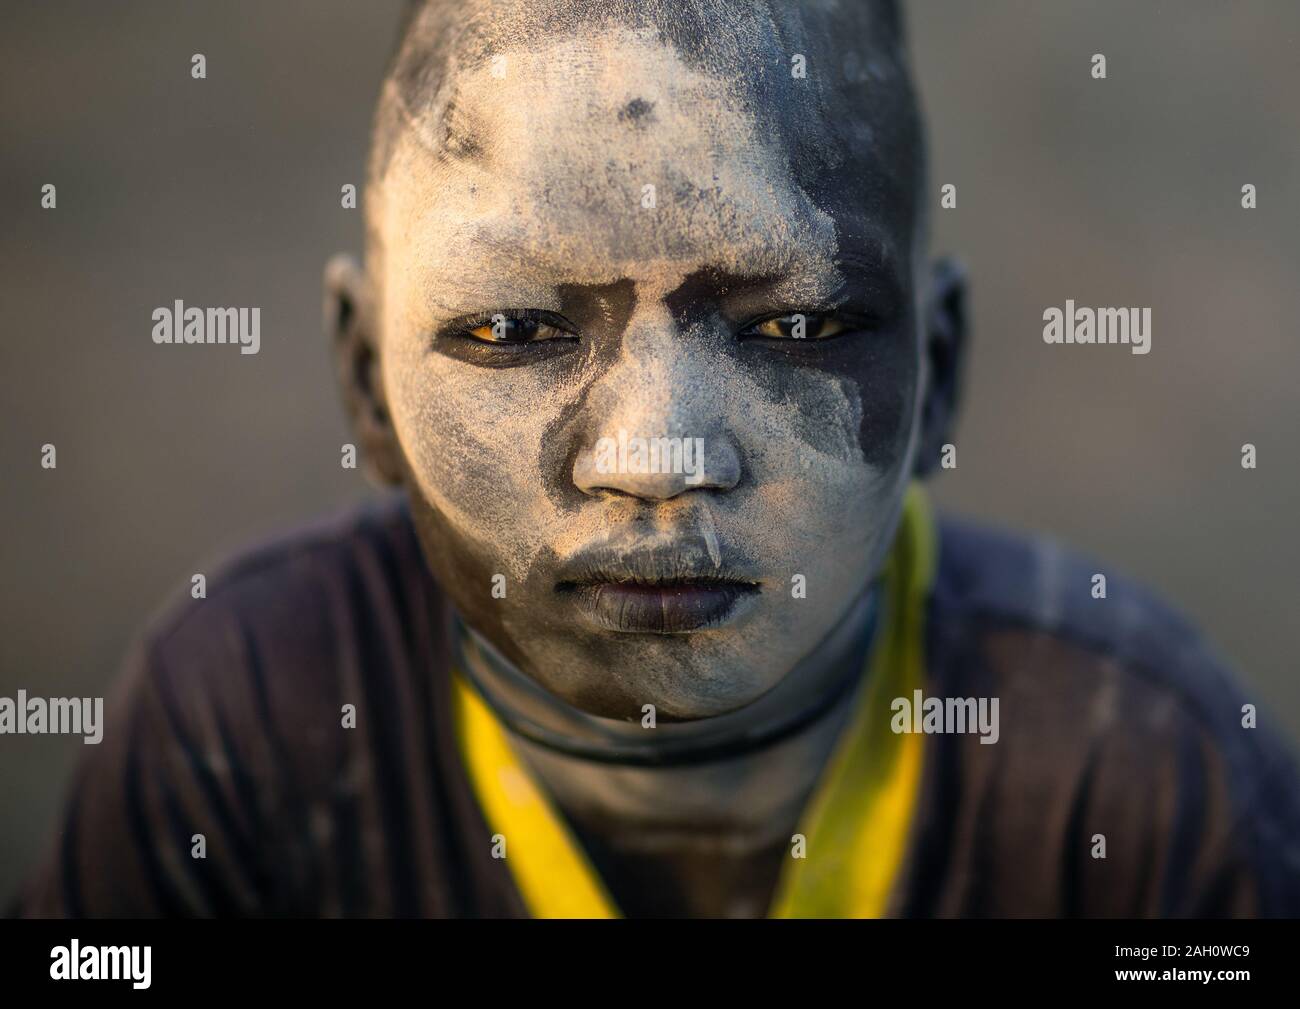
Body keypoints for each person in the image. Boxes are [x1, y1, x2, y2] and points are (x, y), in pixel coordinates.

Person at [17, 0, 1300, 918]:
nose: (654, 458)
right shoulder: (245, 720)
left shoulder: (1128, 766)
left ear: (941, 369)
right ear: (365, 380)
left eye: (796, 327)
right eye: (512, 332)